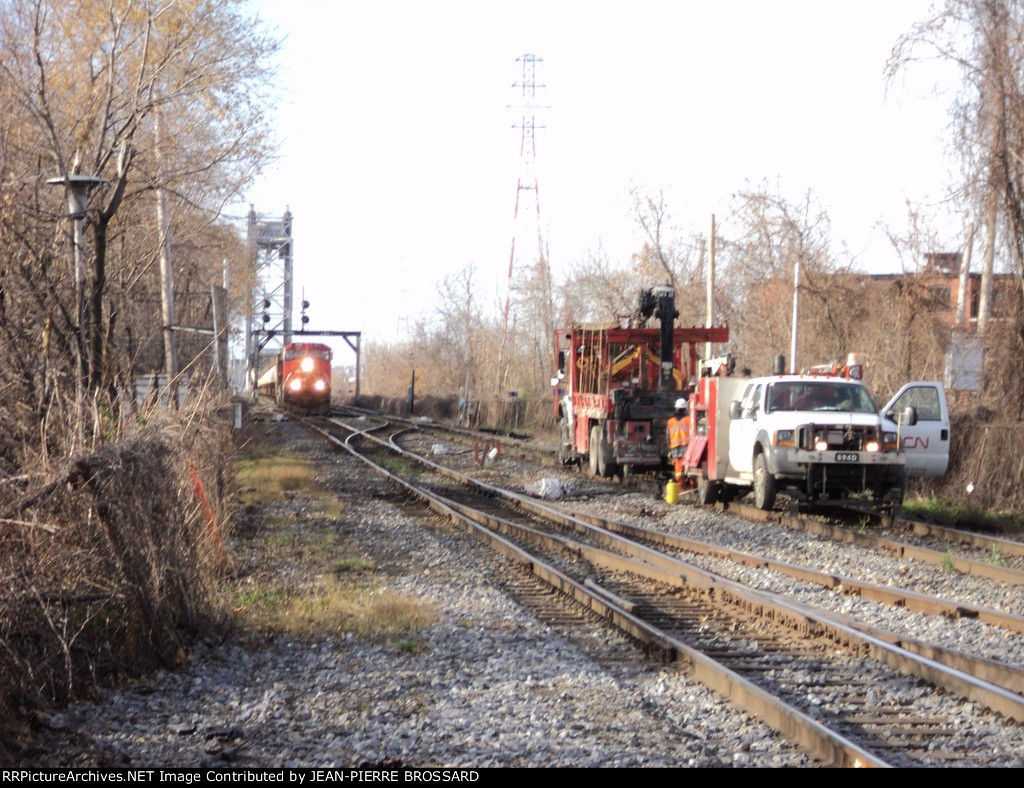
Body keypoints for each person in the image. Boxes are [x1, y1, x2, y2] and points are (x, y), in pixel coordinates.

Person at [667, 397, 689, 485]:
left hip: (675, 447)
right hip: (687, 446)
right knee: (689, 466)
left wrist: (669, 446)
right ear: (686, 409)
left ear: (676, 408)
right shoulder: (689, 420)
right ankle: (693, 487)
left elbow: (667, 436)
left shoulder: (670, 421)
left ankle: (681, 486)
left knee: (678, 468)